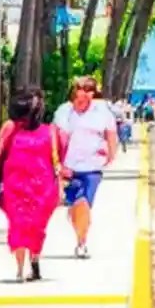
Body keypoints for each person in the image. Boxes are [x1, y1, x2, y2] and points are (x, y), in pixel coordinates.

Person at [0, 91, 63, 282]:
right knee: (26, 225)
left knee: (27, 225)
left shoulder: (16, 129)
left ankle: (28, 264)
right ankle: (25, 266)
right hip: (30, 186)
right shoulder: (44, 130)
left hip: (30, 185)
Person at [54, 78, 118, 260]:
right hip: (69, 168)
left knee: (83, 204)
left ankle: (81, 243)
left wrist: (111, 155)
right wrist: (57, 164)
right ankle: (79, 231)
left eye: (87, 91)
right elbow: (55, 138)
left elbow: (111, 134)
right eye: (79, 92)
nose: (82, 96)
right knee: (77, 209)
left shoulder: (102, 111)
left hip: (92, 167)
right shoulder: (64, 112)